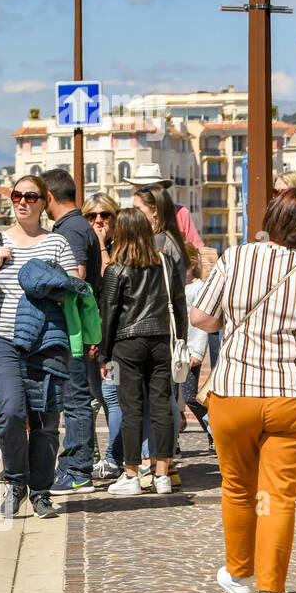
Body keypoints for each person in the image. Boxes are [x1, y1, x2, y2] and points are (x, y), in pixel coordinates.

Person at [191, 188, 296, 593]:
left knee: (238, 489)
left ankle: (240, 578)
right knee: (277, 496)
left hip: (234, 391)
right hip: (291, 395)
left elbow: (201, 318)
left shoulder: (236, 257)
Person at [0, 175, 79, 519]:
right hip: (3, 340)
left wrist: (51, 282)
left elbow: (74, 285)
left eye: (30, 196)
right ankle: (16, 482)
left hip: (47, 343)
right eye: (17, 195)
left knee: (45, 420)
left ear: (44, 202)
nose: (22, 201)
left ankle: (40, 492)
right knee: (11, 411)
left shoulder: (57, 243)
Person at [99, 209, 187, 496]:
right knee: (162, 406)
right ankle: (162, 476)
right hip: (162, 341)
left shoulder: (115, 269)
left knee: (131, 409)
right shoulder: (164, 262)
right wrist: (181, 340)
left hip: (126, 345)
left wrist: (104, 355)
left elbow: (108, 315)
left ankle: (131, 475)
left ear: (121, 232)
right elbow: (179, 304)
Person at [42, 168, 103, 496]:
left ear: (49, 197)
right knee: (77, 398)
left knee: (76, 399)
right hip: (77, 330)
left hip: (72, 330)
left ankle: (77, 471)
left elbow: (76, 277)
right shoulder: (78, 226)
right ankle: (73, 467)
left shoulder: (73, 230)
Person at [83, 192, 125, 480]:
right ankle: (92, 457)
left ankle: (114, 458)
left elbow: (111, 278)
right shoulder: (80, 246)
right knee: (89, 399)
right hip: (88, 337)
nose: (99, 221)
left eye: (104, 215)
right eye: (92, 216)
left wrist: (100, 246)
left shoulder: (122, 248)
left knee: (113, 396)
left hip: (115, 339)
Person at [122, 162, 203, 249]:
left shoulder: (181, 213)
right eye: (139, 188)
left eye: (147, 188)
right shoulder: (131, 216)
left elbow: (196, 248)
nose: (143, 192)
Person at [182, 249, 213, 452]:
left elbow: (201, 324)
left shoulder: (200, 288)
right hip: (174, 349)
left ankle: (213, 430)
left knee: (189, 396)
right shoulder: (174, 286)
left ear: (192, 265)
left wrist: (197, 352)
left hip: (191, 349)